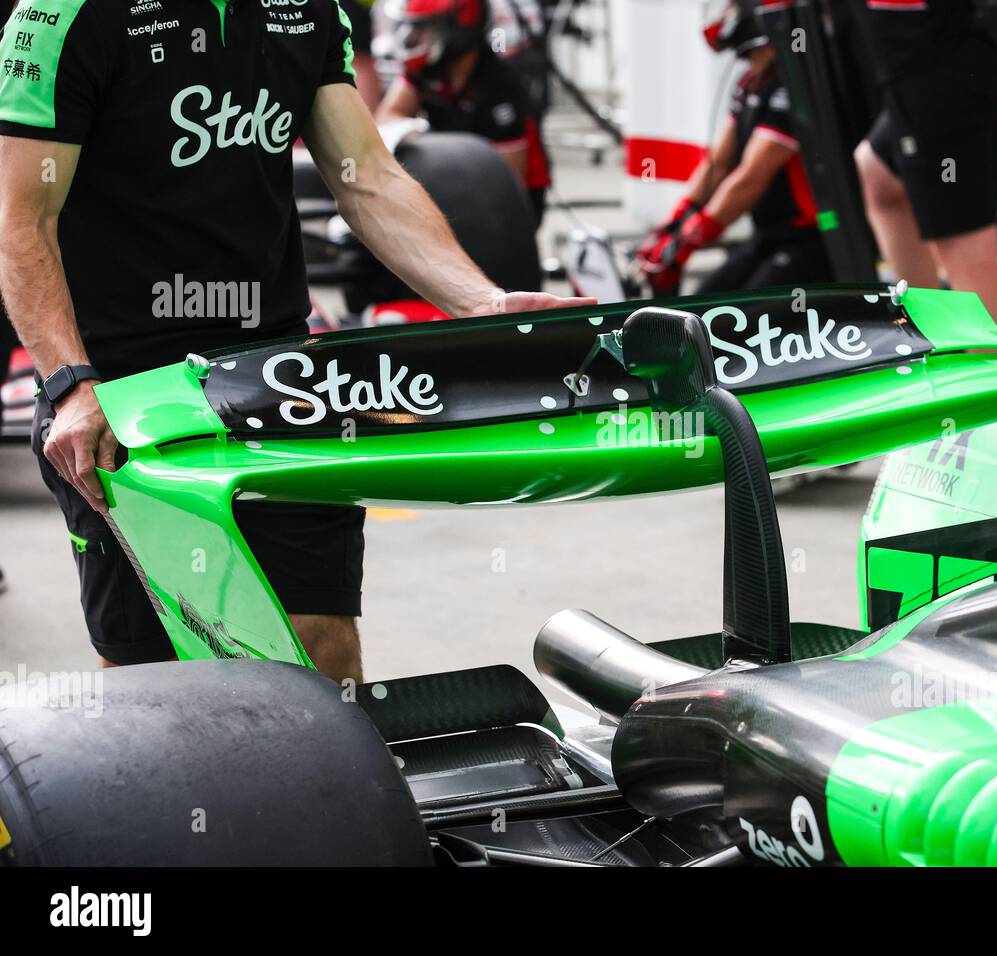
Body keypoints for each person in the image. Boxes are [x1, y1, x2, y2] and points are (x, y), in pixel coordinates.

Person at [0, 0, 590, 681]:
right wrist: (71, 384)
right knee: (155, 679)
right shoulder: (64, 16)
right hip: (121, 390)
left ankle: (333, 791)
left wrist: (482, 300)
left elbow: (366, 175)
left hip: (276, 378)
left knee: (319, 647)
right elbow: (22, 220)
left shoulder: (306, 9)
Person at [849, 0, 997, 341]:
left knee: (965, 252)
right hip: (916, 65)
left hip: (943, 67)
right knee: (877, 171)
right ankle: (928, 340)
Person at [636, 0, 831, 297]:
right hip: (767, 237)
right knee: (701, 306)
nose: (726, 14)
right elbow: (718, 164)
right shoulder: (749, 81)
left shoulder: (791, 82)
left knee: (734, 323)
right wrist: (674, 224)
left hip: (810, 242)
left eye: (735, 7)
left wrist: (691, 238)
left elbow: (751, 178)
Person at [376, 0, 551, 224]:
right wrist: (425, 141)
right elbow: (388, 117)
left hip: (512, 206)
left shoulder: (500, 87)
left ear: (458, 27)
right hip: (453, 186)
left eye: (424, 27)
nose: (413, 37)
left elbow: (507, 186)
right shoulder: (425, 70)